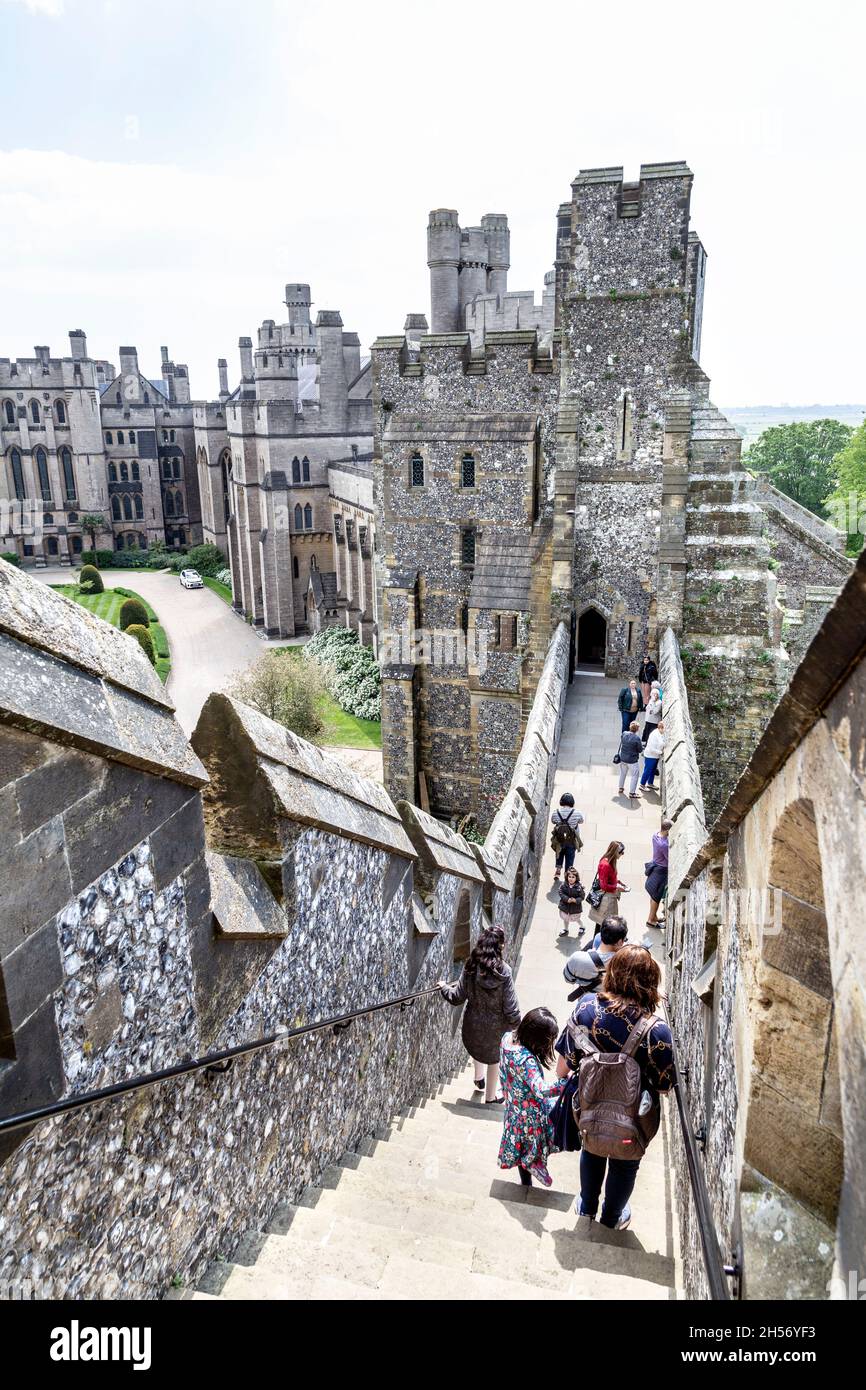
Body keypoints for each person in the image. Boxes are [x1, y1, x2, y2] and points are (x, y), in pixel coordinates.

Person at [556, 944, 673, 1229]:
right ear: (650, 981)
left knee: (592, 1149)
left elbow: (563, 1068)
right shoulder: (655, 1030)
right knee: (625, 1163)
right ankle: (611, 1218)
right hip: (631, 1121)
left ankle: (586, 1207)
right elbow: (664, 1085)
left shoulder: (584, 1009)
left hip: (590, 1109)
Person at [438, 926, 520, 1103]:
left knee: (478, 1047)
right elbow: (511, 1007)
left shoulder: (471, 965)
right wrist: (517, 1030)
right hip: (497, 1028)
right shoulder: (504, 971)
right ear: (502, 946)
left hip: (473, 1025)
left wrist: (444, 987)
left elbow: (457, 997)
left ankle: (478, 1077)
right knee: (494, 1059)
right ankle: (490, 1097)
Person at [498, 1007, 565, 1188]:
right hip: (530, 1115)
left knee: (521, 1147)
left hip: (513, 1109)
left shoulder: (506, 1039)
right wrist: (565, 1084)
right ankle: (534, 1162)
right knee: (556, 1124)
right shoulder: (526, 1060)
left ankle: (526, 1182)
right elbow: (541, 1089)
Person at [563, 915, 628, 994]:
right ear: (620, 942)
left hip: (586, 1002)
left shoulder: (577, 958)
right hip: (612, 1003)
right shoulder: (627, 963)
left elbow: (568, 979)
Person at [588, 841, 628, 926]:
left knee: (605, 923)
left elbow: (608, 878)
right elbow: (604, 886)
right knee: (606, 923)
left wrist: (618, 882)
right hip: (606, 898)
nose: (622, 854)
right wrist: (616, 887)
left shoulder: (611, 861)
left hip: (610, 896)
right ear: (615, 852)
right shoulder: (605, 865)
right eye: (621, 852)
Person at [550, 792, 584, 880]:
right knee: (570, 857)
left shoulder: (556, 813)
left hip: (560, 839)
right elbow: (581, 821)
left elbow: (553, 821)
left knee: (559, 853)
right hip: (572, 840)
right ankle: (567, 874)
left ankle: (558, 869)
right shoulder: (576, 813)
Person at [645, 819, 671, 927]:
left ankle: (654, 916)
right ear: (668, 830)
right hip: (661, 871)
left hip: (655, 866)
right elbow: (669, 858)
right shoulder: (664, 844)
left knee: (653, 894)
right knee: (657, 896)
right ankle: (651, 920)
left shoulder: (655, 835)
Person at [617, 721, 643, 798]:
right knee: (635, 776)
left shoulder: (624, 733)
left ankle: (620, 788)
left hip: (623, 758)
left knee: (622, 773)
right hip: (632, 760)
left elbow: (622, 741)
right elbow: (640, 750)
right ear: (637, 729)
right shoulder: (637, 738)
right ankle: (632, 793)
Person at [558, 867, 584, 939]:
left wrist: (575, 900)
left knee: (576, 919)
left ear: (576, 878)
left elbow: (582, 897)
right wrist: (566, 899)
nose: (571, 878)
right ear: (567, 877)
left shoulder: (579, 887)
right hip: (565, 907)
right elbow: (560, 892)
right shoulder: (564, 885)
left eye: (573, 877)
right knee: (565, 919)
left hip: (575, 908)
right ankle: (566, 929)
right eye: (569, 877)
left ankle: (582, 927)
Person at [640, 721, 665, 789]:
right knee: (647, 771)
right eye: (664, 729)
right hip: (650, 756)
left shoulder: (660, 733)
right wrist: (660, 752)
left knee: (653, 770)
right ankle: (642, 785)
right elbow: (651, 749)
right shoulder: (654, 735)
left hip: (656, 756)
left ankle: (650, 783)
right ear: (661, 728)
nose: (665, 731)